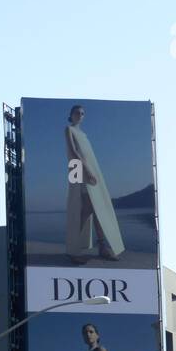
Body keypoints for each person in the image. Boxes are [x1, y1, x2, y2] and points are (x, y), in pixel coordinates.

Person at [64, 105, 124, 263]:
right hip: (77, 170)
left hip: (88, 170)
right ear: (71, 115)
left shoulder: (84, 134)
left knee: (97, 209)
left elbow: (87, 155)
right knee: (83, 209)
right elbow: (74, 152)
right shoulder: (69, 130)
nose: (81, 115)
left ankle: (102, 247)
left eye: (83, 113)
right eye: (77, 113)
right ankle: (73, 249)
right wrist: (87, 171)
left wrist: (93, 171)